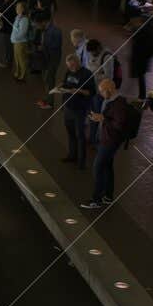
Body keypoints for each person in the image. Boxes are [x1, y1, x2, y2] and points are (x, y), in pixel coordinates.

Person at [81, 78, 130, 210]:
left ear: (109, 90)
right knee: (107, 167)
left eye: (102, 91)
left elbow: (118, 125)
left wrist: (102, 118)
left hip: (110, 141)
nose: (101, 94)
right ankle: (108, 196)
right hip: (106, 139)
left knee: (98, 168)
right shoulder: (110, 100)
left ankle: (96, 200)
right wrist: (99, 118)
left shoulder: (119, 104)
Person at [56, 54, 92, 168]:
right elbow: (65, 83)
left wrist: (78, 91)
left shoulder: (87, 74)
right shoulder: (69, 71)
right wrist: (60, 87)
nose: (71, 68)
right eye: (69, 66)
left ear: (77, 63)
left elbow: (91, 92)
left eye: (72, 66)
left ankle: (81, 161)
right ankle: (72, 155)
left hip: (79, 110)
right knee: (70, 133)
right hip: (68, 107)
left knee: (80, 136)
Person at [36, 15, 62, 107]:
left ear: (43, 22)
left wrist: (44, 46)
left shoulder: (56, 31)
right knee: (46, 80)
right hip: (46, 58)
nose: (37, 26)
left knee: (50, 80)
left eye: (38, 24)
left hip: (53, 59)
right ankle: (46, 99)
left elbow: (56, 45)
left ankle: (50, 102)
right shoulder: (45, 30)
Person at [10, 0, 31, 81]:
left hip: (21, 42)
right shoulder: (18, 17)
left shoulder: (24, 19)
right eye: (17, 7)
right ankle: (18, 72)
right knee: (17, 58)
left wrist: (15, 37)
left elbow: (23, 32)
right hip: (16, 42)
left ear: (23, 9)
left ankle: (23, 75)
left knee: (22, 59)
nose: (17, 8)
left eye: (19, 7)